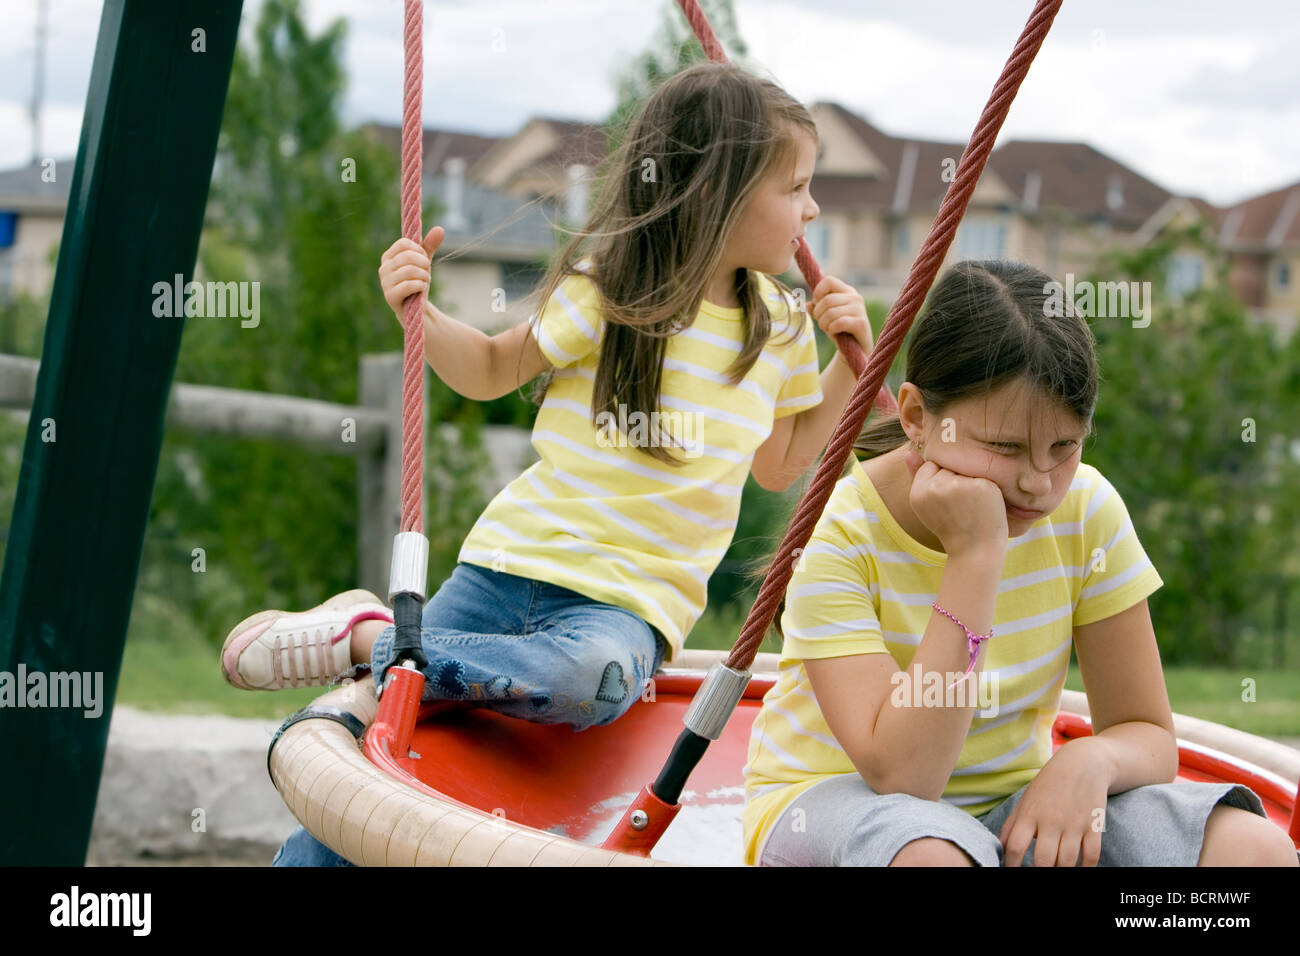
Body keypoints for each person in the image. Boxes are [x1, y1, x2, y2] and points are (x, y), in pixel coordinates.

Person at [219, 61, 877, 865]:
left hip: (621, 613)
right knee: (378, 786)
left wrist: (852, 368)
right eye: (797, 188)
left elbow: (781, 464)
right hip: (508, 567)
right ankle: (390, 652)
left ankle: (374, 643)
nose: (812, 209)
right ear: (720, 192)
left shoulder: (777, 324)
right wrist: (419, 312)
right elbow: (494, 368)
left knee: (589, 683)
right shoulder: (611, 290)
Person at [743, 259, 1299, 867]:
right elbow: (906, 776)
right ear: (915, 418)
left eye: (1064, 446)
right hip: (839, 806)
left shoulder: (1086, 510)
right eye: (1004, 448)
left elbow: (1147, 734)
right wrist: (975, 557)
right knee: (934, 857)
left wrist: (1092, 759)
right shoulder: (842, 534)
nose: (1038, 483)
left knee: (1255, 851)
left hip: (1009, 809)